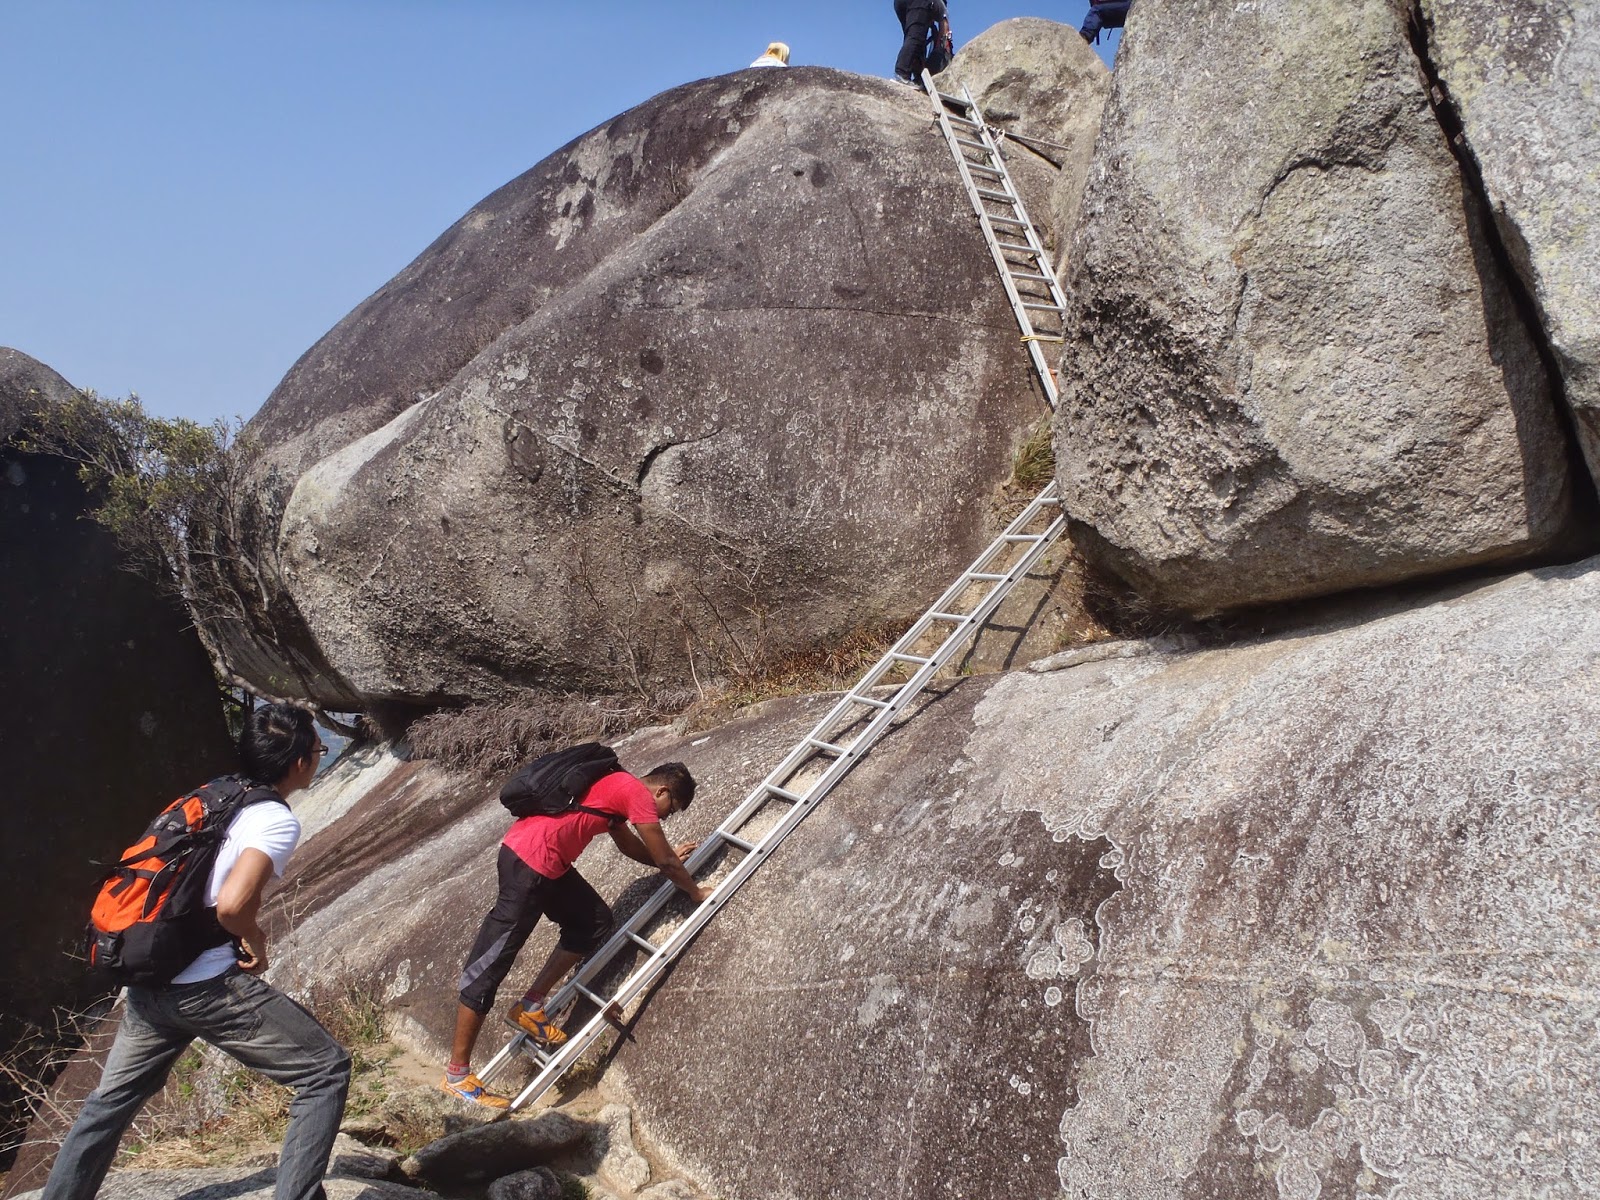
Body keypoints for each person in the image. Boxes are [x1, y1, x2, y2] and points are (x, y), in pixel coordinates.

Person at [43, 705, 349, 1200]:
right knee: (324, 1070)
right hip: (206, 988)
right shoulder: (272, 819)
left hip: (148, 982)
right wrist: (255, 935)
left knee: (109, 1103)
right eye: (316, 751)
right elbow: (231, 906)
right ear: (298, 764)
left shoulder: (213, 793)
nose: (316, 758)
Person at [441, 760, 706, 1108]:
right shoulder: (634, 794)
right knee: (491, 961)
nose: (665, 818)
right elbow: (665, 860)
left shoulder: (617, 785)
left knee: (592, 921)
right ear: (662, 791)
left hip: (547, 862)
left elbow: (631, 847)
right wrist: (694, 891)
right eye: (670, 810)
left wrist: (667, 859)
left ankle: (531, 1006)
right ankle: (457, 1076)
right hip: (530, 861)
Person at [894, 0, 948, 86]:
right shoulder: (941, 8)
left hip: (900, 4)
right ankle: (902, 73)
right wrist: (943, 46)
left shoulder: (934, 7)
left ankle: (917, 77)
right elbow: (944, 28)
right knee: (916, 37)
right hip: (920, 2)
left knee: (913, 39)